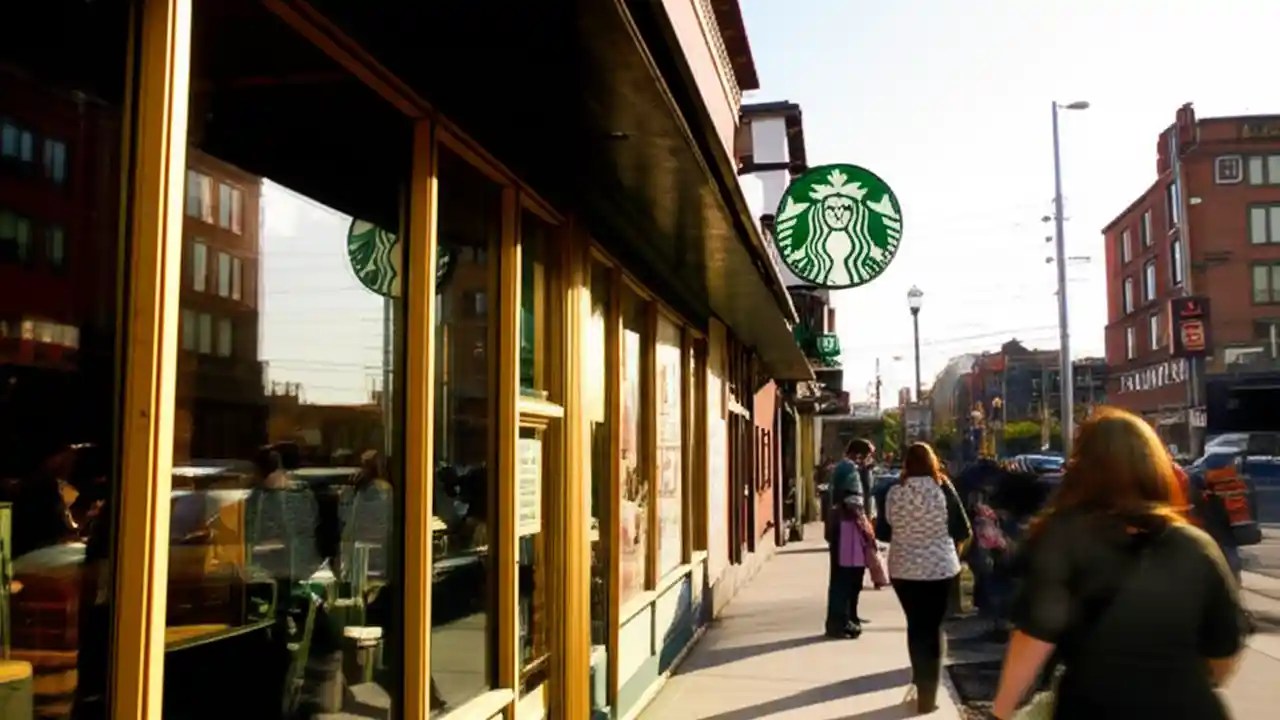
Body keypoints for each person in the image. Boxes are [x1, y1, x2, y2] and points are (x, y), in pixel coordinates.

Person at [988, 407, 1248, 720]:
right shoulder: (1196, 546)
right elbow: (1224, 653)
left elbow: (1034, 638)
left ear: (1082, 469)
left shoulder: (1064, 539)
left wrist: (1000, 713)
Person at [884, 442, 969, 714]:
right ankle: (928, 697)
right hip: (939, 568)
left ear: (907, 463)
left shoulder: (894, 492)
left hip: (903, 569)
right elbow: (962, 528)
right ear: (933, 461)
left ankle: (920, 679)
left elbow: (884, 531)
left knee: (916, 626)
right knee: (933, 628)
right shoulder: (942, 488)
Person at [825, 438, 876, 637]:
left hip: (839, 527)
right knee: (847, 577)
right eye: (869, 455)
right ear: (860, 454)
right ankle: (841, 621)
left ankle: (842, 619)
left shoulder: (842, 467)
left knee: (841, 576)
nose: (870, 459)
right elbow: (855, 500)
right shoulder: (850, 470)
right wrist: (866, 528)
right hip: (848, 529)